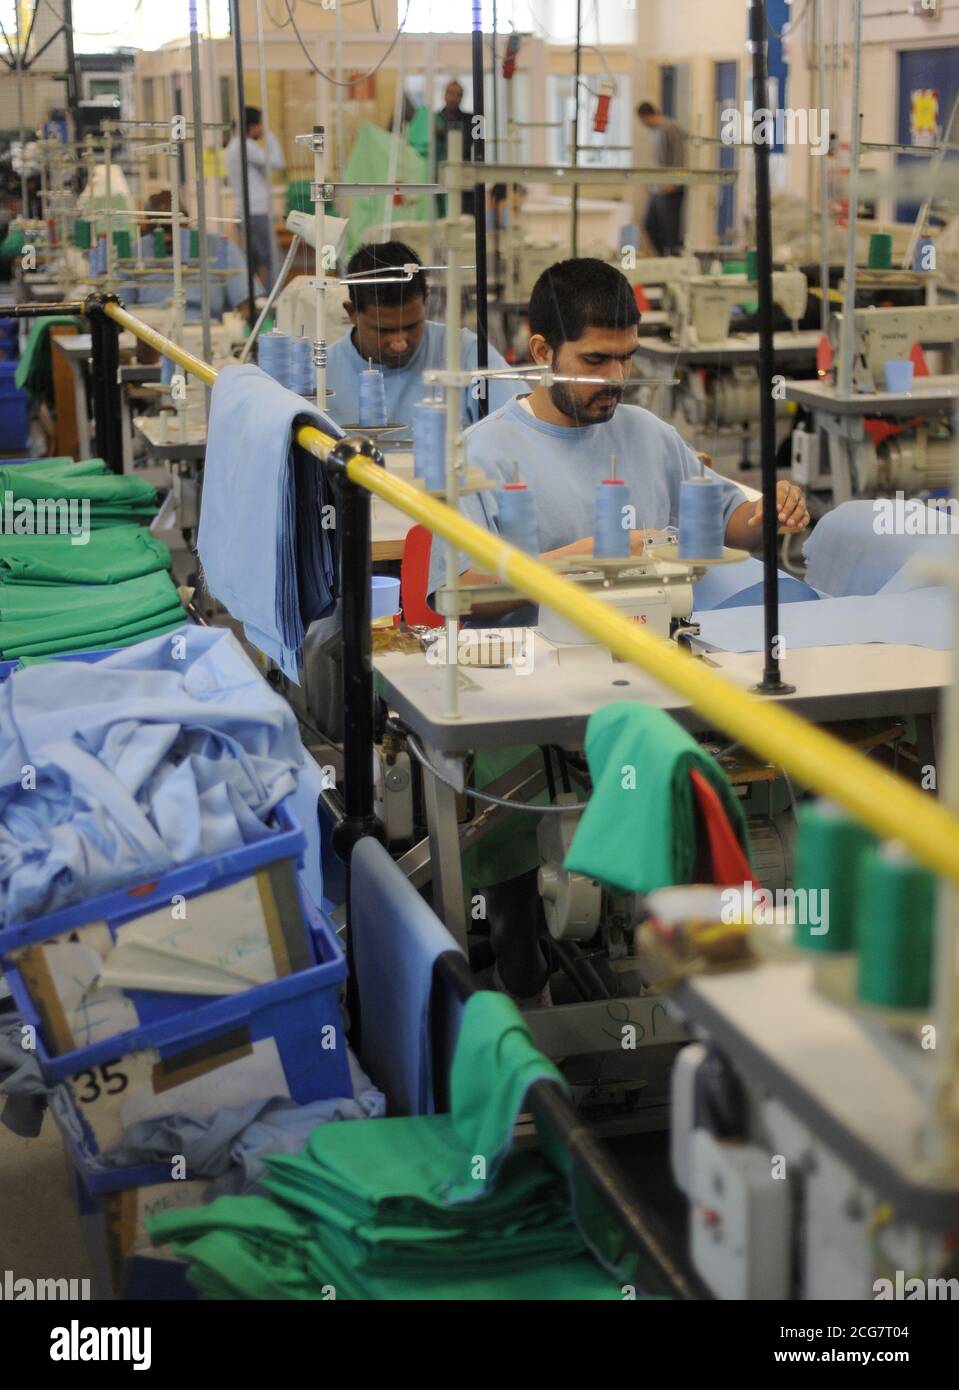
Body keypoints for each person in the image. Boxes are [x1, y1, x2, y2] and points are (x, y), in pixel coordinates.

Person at [429, 257, 808, 610]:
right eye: (595, 360)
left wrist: (767, 512)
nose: (617, 377)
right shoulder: (479, 454)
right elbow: (457, 593)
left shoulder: (650, 434)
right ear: (543, 351)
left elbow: (732, 528)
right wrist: (587, 561)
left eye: (627, 357)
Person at [324, 240, 518, 428]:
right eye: (384, 330)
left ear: (426, 301)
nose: (399, 343)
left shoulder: (466, 353)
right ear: (352, 313)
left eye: (411, 326)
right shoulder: (323, 375)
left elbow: (517, 423)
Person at [122, 190, 259, 321]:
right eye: (157, 232)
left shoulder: (218, 247)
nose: (166, 238)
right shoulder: (135, 253)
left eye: (172, 229)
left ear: (186, 223)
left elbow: (246, 304)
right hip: (151, 334)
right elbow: (120, 310)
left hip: (209, 333)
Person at [225, 106, 285, 288]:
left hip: (246, 212)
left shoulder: (234, 146)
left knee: (252, 264)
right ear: (252, 126)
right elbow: (278, 163)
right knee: (274, 262)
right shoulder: (246, 146)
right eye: (260, 124)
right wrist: (269, 136)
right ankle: (271, 306)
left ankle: (254, 305)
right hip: (256, 213)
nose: (262, 128)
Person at [637, 101, 687, 257]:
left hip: (670, 190)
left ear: (648, 116)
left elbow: (679, 156)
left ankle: (673, 263)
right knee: (650, 225)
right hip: (657, 189)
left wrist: (673, 182)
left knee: (670, 233)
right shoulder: (655, 131)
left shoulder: (670, 128)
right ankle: (663, 259)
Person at [434, 79, 475, 217]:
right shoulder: (433, 119)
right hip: (437, 181)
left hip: (463, 185)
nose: (453, 98)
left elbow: (465, 145)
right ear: (444, 95)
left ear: (462, 97)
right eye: (450, 93)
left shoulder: (471, 120)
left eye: (457, 94)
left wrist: (441, 132)